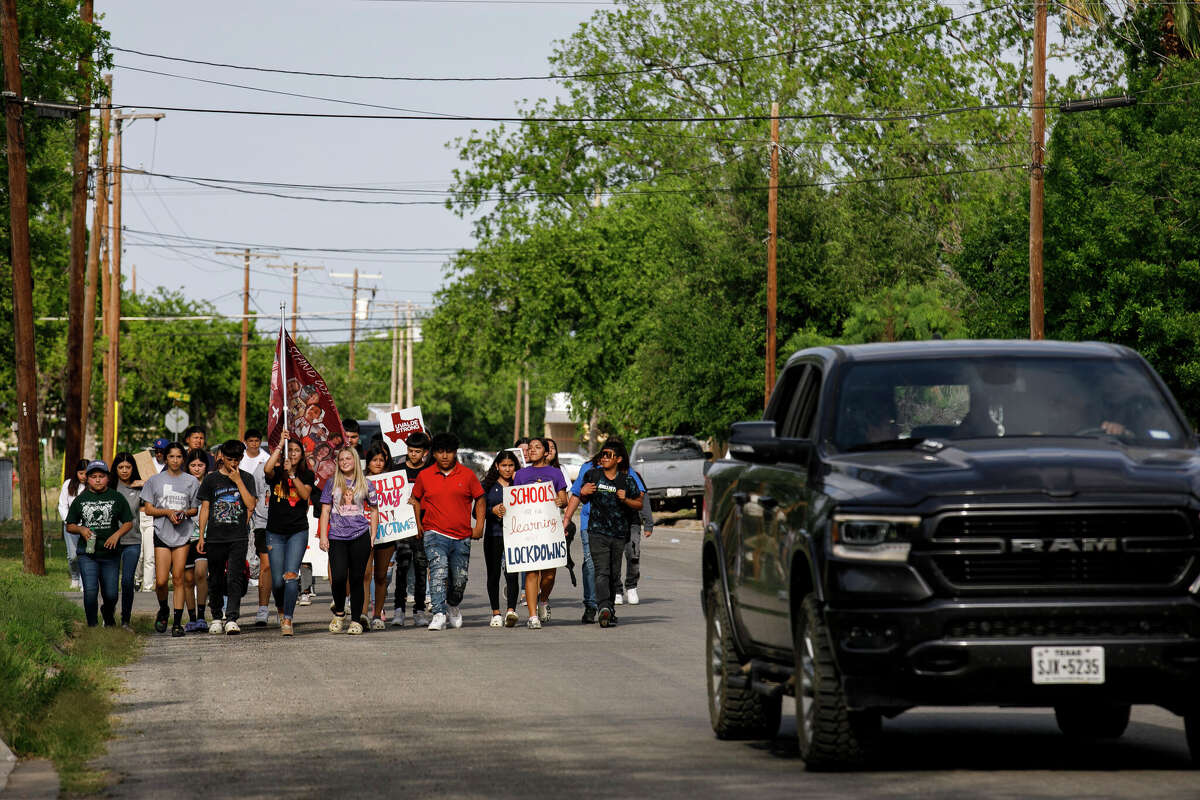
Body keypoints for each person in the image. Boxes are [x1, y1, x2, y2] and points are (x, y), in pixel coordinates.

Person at [411, 432, 485, 631]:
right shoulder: (425, 476)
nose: (444, 456)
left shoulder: (468, 475)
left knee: (459, 580)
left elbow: (480, 499)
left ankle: (453, 605)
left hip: (462, 536)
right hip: (434, 534)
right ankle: (438, 613)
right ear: (433, 454)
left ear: (455, 453)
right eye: (440, 452)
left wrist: (479, 526)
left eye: (449, 452)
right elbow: (415, 499)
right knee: (438, 571)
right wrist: (418, 523)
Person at [566, 439, 642, 628]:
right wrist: (582, 495)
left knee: (614, 573)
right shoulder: (592, 474)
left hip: (618, 533)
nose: (604, 458)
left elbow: (639, 502)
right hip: (595, 531)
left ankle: (609, 610)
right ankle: (602, 607)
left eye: (609, 455)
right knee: (600, 570)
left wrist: (626, 500)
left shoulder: (627, 479)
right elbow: (580, 496)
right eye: (603, 454)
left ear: (618, 459)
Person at [197, 440, 257, 635]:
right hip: (214, 536)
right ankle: (215, 616)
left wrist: (238, 481)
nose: (233, 463)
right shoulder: (211, 480)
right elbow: (205, 508)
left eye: (237, 459)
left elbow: (250, 505)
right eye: (230, 459)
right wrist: (201, 535)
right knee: (214, 578)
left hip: (237, 537)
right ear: (221, 457)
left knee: (234, 578)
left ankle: (232, 617)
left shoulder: (246, 478)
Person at [65, 461, 134, 627]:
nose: (97, 480)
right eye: (93, 477)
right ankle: (92, 626)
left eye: (101, 477)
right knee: (90, 592)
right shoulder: (81, 500)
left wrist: (117, 535)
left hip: (110, 554)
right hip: (87, 554)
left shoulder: (116, 497)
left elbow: (128, 522)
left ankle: (107, 613)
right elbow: (70, 525)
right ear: (87, 479)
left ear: (108, 478)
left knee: (111, 594)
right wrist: (81, 530)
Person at [141, 443, 200, 636]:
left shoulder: (191, 481)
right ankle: (163, 608)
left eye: (179, 457)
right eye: (171, 457)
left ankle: (176, 622)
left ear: (184, 459)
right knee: (160, 581)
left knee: (179, 577)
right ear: (165, 458)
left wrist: (183, 513)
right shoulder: (155, 481)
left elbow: (194, 509)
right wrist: (166, 512)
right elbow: (148, 509)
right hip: (161, 533)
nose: (175, 460)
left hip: (182, 534)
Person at [318, 447, 378, 635]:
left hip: (360, 536)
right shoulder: (331, 483)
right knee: (338, 577)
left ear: (355, 461)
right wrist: (323, 535)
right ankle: (339, 614)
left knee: (357, 579)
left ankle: (356, 620)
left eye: (348, 458)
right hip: (337, 537)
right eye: (341, 459)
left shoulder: (366, 484)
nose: (344, 462)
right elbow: (325, 510)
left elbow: (374, 510)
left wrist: (373, 535)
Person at [513, 437, 568, 629]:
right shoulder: (520, 475)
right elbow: (514, 502)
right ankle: (532, 616)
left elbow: (564, 498)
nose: (532, 450)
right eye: (530, 448)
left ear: (546, 452)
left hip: (549, 529)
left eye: (537, 447)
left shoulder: (555, 473)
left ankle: (543, 599)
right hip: (528, 530)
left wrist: (560, 501)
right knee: (531, 572)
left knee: (549, 574)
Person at [264, 430, 315, 637]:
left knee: (291, 576)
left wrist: (293, 476)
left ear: (302, 455)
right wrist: (279, 447)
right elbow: (267, 469)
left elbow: (304, 495)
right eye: (290, 450)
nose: (293, 454)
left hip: (297, 531)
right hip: (275, 532)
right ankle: (281, 607)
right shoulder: (277, 472)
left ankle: (288, 619)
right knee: (277, 581)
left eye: (297, 451)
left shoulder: (307, 474)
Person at [364, 443, 405, 630]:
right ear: (368, 462)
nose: (378, 463)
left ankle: (377, 615)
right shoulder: (360, 481)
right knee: (365, 575)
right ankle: (362, 614)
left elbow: (402, 504)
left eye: (381, 460)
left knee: (381, 576)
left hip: (387, 534)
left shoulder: (394, 481)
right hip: (363, 534)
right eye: (374, 460)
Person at [393, 431, 431, 627]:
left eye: (417, 451)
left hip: (425, 526)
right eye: (410, 450)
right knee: (402, 568)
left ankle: (419, 610)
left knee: (421, 569)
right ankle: (399, 609)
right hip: (402, 527)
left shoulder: (431, 471)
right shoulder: (397, 470)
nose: (413, 454)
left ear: (425, 452)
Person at [481, 450, 521, 628]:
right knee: (494, 574)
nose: (507, 469)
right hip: (493, 535)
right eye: (504, 465)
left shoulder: (521, 484)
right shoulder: (487, 486)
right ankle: (495, 612)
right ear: (497, 466)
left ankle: (511, 610)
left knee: (512, 574)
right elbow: (477, 512)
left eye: (511, 465)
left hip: (516, 536)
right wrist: (492, 511)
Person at [110, 452, 145, 630]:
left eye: (128, 467)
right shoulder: (110, 487)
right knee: (110, 582)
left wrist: (143, 482)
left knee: (127, 581)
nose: (124, 471)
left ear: (133, 468)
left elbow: (158, 483)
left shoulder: (140, 488)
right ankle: (108, 616)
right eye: (121, 467)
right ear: (115, 469)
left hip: (133, 540)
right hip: (111, 542)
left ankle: (125, 620)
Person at [181, 449, 212, 631]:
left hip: (205, 536)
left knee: (201, 573)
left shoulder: (210, 483)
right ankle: (191, 617)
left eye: (200, 465)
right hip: (184, 536)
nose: (197, 468)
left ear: (206, 466)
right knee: (187, 579)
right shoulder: (183, 485)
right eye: (193, 465)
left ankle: (202, 616)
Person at [614, 468, 654, 606]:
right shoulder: (604, 475)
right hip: (612, 523)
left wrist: (648, 523)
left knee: (633, 553)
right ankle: (617, 590)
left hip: (632, 522)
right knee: (614, 556)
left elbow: (644, 498)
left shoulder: (634, 475)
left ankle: (631, 586)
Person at [57, 458, 89, 590]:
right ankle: (75, 576)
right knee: (73, 555)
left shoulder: (93, 486)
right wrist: (69, 521)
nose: (83, 477)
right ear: (76, 472)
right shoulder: (68, 484)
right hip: (71, 526)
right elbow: (62, 505)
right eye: (81, 473)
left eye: (87, 473)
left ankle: (84, 581)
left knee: (87, 554)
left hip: (88, 526)